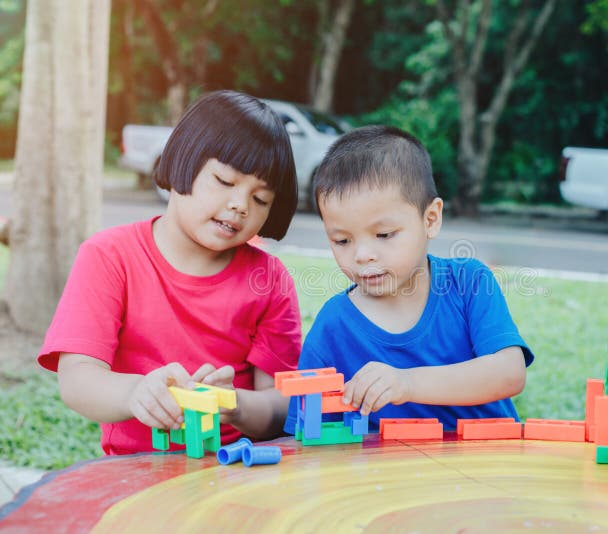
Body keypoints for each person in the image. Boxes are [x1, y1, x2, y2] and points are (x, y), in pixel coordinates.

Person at [39, 90, 302, 455]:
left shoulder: (270, 279)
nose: (240, 205)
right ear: (183, 161)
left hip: (238, 471)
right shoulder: (109, 256)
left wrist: (233, 403)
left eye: (260, 199)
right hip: (135, 474)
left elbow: (281, 406)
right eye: (225, 181)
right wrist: (136, 393)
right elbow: (77, 379)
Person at [284, 125, 533, 434]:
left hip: (491, 466)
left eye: (384, 234)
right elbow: (309, 436)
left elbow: (509, 373)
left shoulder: (469, 282)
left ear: (430, 219)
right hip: (395, 479)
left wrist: (407, 382)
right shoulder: (333, 328)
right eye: (342, 241)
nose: (362, 255)